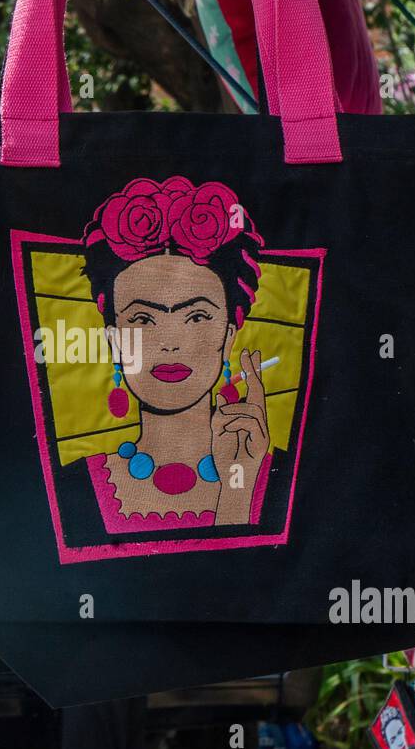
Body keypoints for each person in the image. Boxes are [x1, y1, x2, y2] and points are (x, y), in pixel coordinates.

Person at [69, 176, 271, 533]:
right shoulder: (70, 485)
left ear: (228, 335)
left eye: (196, 316)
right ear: (114, 339)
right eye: (143, 318)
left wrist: (237, 486)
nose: (170, 342)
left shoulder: (280, 474)